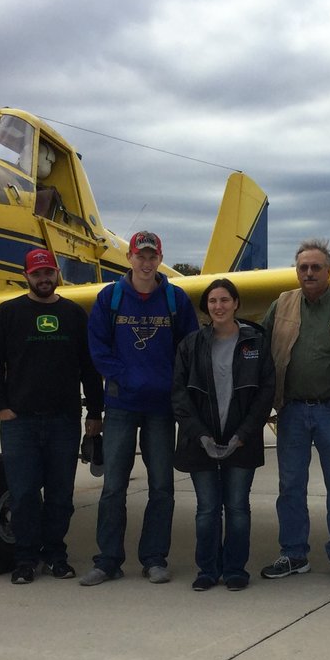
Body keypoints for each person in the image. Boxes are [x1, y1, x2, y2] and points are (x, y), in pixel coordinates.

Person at [80, 230, 199, 587]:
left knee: (162, 485)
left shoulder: (175, 299)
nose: (146, 263)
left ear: (159, 258)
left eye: (152, 256)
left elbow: (190, 347)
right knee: (113, 485)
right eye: (140, 256)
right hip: (121, 405)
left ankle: (154, 558)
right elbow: (98, 348)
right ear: (129, 258)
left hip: (161, 409)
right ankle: (108, 560)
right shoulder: (110, 298)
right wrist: (125, 378)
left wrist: (171, 385)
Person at [0, 248, 103, 584]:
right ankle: (25, 558)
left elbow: (90, 369)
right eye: (37, 274)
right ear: (26, 276)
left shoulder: (75, 314)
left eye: (49, 272)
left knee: (61, 496)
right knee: (22, 494)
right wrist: (0, 406)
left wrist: (95, 411)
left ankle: (55, 555)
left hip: (64, 420)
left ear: (57, 275)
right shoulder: (8, 313)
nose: (44, 279)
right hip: (19, 420)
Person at [259, 239, 330, 582]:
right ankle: (293, 553)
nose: (309, 272)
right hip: (291, 411)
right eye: (303, 267)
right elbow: (260, 350)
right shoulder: (282, 304)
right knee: (290, 485)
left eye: (316, 267)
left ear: (329, 271)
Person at [173, 279, 275, 592]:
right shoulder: (190, 344)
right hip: (199, 440)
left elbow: (266, 391)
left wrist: (244, 434)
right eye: (213, 301)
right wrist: (200, 435)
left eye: (224, 300)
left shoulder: (255, 343)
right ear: (206, 307)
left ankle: (234, 569)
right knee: (206, 510)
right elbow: (178, 394)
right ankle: (207, 569)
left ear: (236, 304)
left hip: (241, 439)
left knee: (237, 508)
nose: (219, 306)